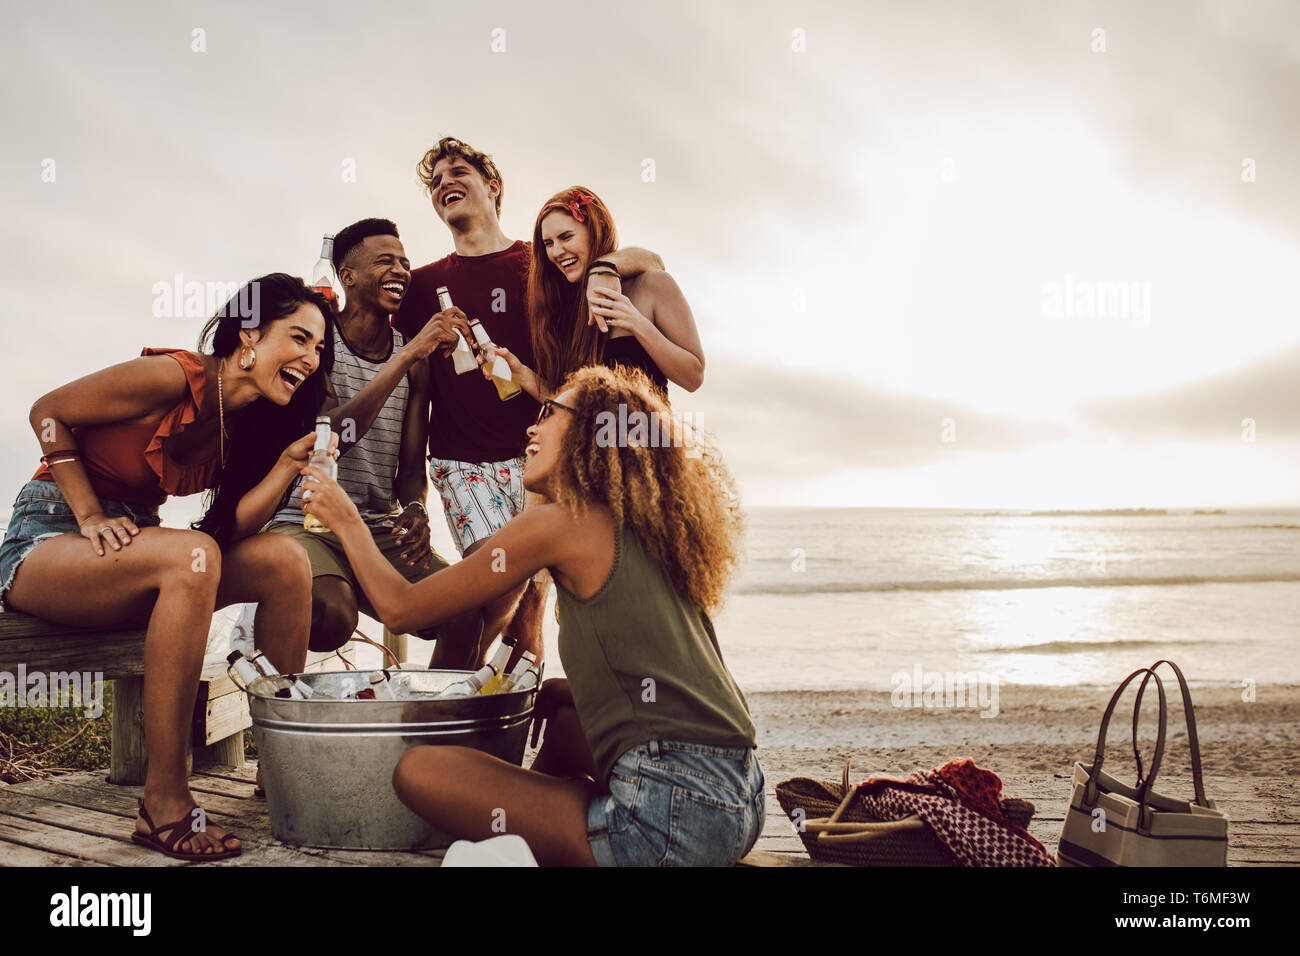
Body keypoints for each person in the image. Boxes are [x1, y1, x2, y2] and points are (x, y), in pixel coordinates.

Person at [300, 365, 764, 867]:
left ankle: (554, 836)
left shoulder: (558, 522)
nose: (531, 426)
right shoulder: (654, 531)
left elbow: (400, 608)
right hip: (740, 797)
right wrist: (565, 691)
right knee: (562, 716)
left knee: (418, 770)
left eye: (548, 412)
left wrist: (345, 519)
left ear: (592, 432)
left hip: (670, 818)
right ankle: (544, 819)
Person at [0, 273, 335, 861]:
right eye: (301, 338)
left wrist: (284, 465)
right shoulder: (175, 375)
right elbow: (47, 412)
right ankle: (164, 803)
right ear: (250, 335)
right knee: (191, 556)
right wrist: (87, 514)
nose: (311, 358)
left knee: (285, 558)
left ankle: (280, 766)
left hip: (133, 550)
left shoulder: (246, 424)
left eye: (319, 349)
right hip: (50, 537)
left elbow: (226, 529)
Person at [394, 137, 665, 672]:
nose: (444, 183)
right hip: (461, 462)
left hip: (541, 456)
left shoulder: (538, 264)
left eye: (457, 172)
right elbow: (396, 366)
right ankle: (438, 721)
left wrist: (606, 266)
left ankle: (502, 743)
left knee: (529, 613)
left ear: (492, 187)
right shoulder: (424, 285)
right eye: (435, 181)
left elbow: (651, 261)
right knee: (483, 593)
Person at [263, 218, 480, 655]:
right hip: (301, 521)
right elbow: (333, 436)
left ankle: (428, 720)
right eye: (385, 261)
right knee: (331, 617)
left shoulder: (414, 361)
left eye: (404, 262)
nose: (400, 270)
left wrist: (417, 507)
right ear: (347, 277)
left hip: (377, 527)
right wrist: (406, 355)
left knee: (466, 609)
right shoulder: (317, 342)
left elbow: (410, 467)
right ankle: (266, 621)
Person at [493, 186, 705, 402]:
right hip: (584, 436)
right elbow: (568, 406)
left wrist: (636, 323)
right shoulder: (558, 308)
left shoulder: (651, 285)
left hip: (645, 433)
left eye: (566, 237)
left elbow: (693, 377)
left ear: (597, 229)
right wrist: (520, 372)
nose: (556, 252)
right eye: (549, 243)